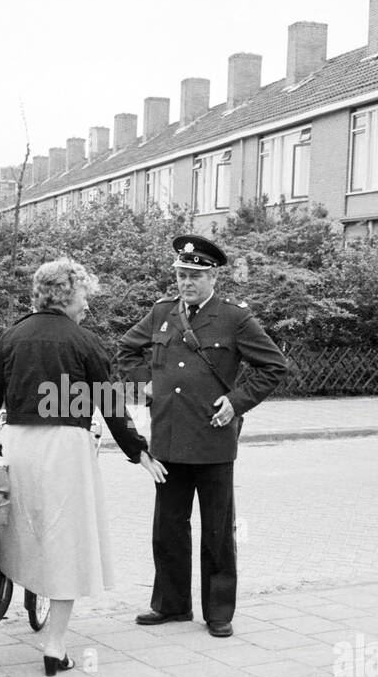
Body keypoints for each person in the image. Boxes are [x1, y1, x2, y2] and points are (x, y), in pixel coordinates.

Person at [0, 258, 167, 674]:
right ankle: (54, 645)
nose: (88, 305)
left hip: (17, 445)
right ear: (67, 295)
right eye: (85, 296)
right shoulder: (84, 342)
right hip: (65, 449)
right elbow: (111, 404)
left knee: (17, 527)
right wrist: (138, 450)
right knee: (66, 542)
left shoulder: (12, 337)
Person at [117, 235, 288, 638]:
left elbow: (273, 366)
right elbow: (127, 350)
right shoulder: (162, 312)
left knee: (216, 530)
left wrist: (237, 401)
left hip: (213, 440)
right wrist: (144, 385)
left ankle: (218, 612)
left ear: (213, 276)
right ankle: (172, 605)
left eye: (194, 275)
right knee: (169, 527)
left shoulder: (234, 319)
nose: (185, 283)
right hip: (169, 439)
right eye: (180, 274)